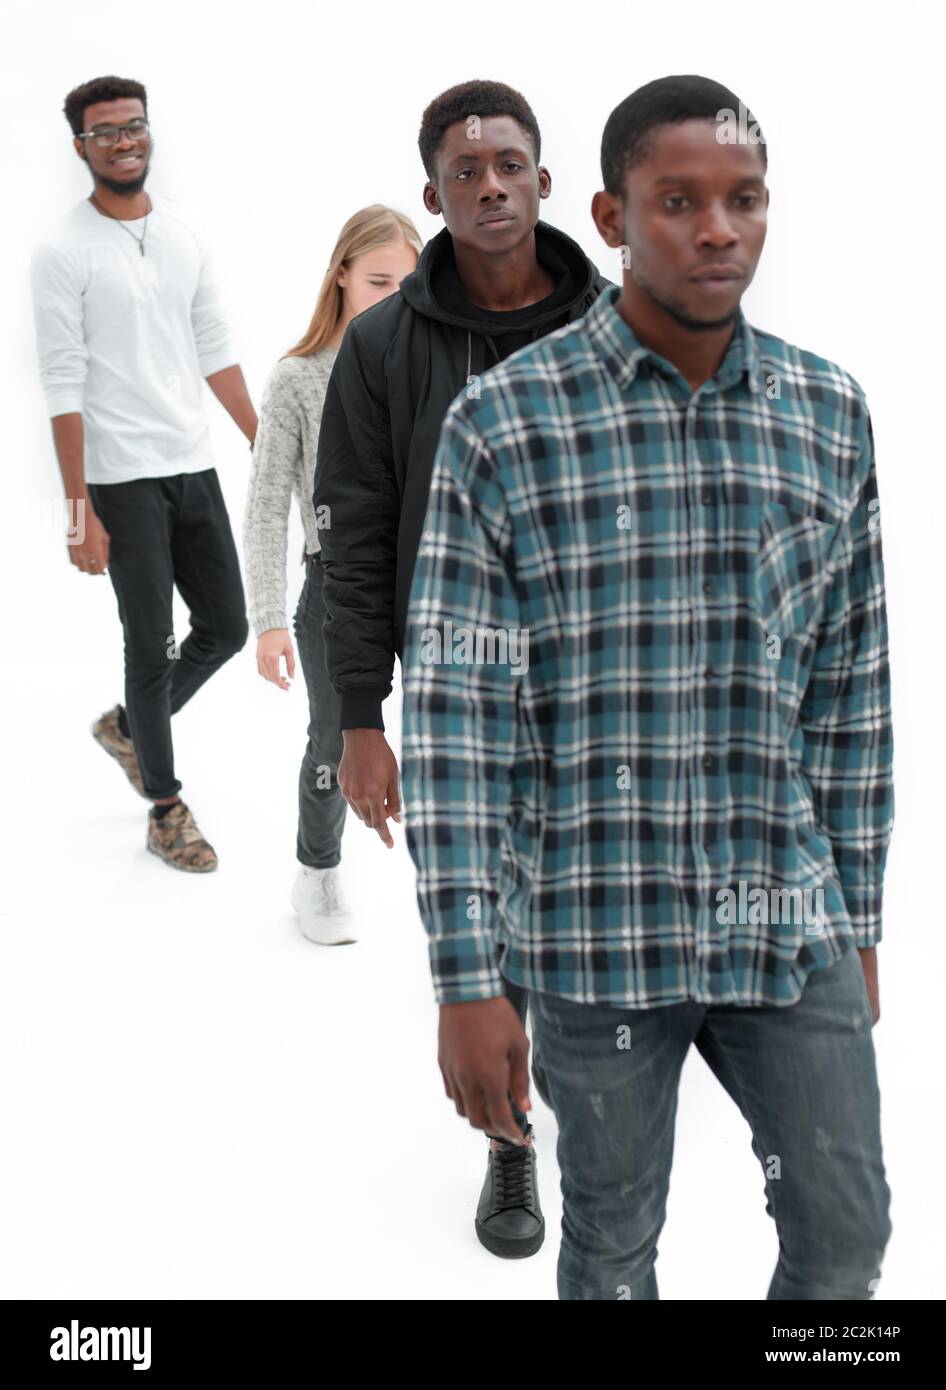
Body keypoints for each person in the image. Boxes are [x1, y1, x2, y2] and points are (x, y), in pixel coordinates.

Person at [400, 74, 895, 1299]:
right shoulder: (502, 423)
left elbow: (850, 695)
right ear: (615, 217)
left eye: (742, 198)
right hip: (591, 928)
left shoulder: (826, 413)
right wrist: (466, 974)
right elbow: (456, 716)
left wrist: (858, 920)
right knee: (612, 1246)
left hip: (785, 922)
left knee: (845, 1242)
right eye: (677, 200)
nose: (717, 228)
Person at [313, 79, 612, 1258]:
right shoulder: (384, 345)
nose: (489, 185)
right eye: (463, 169)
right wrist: (356, 718)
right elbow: (351, 527)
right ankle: (511, 1138)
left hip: (608, 684)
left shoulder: (619, 320)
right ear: (432, 191)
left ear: (541, 179)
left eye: (509, 164)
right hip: (455, 694)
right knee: (484, 929)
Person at [30, 74, 256, 871]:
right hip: (120, 480)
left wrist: (263, 438)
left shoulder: (185, 233)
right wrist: (76, 508)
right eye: (106, 131)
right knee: (151, 644)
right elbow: (61, 381)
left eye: (134, 125)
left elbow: (213, 344)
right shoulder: (63, 251)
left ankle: (129, 727)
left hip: (192, 465)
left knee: (226, 626)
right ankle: (165, 806)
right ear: (81, 147)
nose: (125, 140)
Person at [242, 206, 421, 944]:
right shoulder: (298, 377)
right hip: (338, 585)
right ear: (341, 276)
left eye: (408, 283)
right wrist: (270, 619)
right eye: (378, 280)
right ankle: (317, 871)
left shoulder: (425, 362)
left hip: (427, 576)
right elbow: (263, 506)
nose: (393, 297)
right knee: (333, 739)